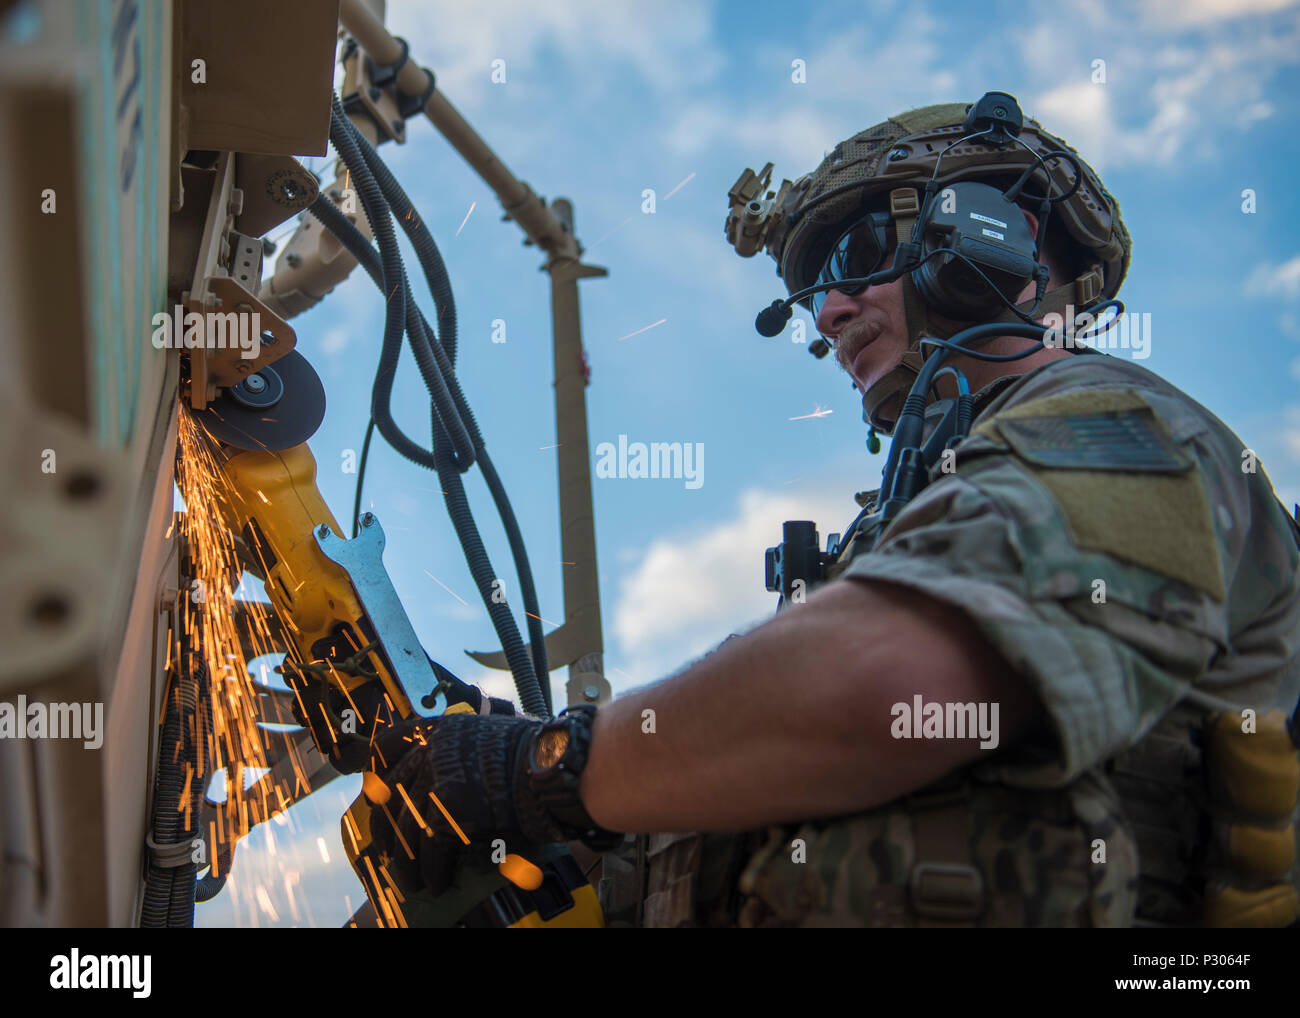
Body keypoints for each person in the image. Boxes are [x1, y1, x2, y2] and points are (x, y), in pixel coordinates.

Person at [364, 94, 1300, 928]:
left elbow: (891, 689)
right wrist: (545, 833)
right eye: (814, 288)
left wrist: (556, 767)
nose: (826, 313)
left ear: (993, 240)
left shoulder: (1122, 428)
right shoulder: (911, 524)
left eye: (853, 259)